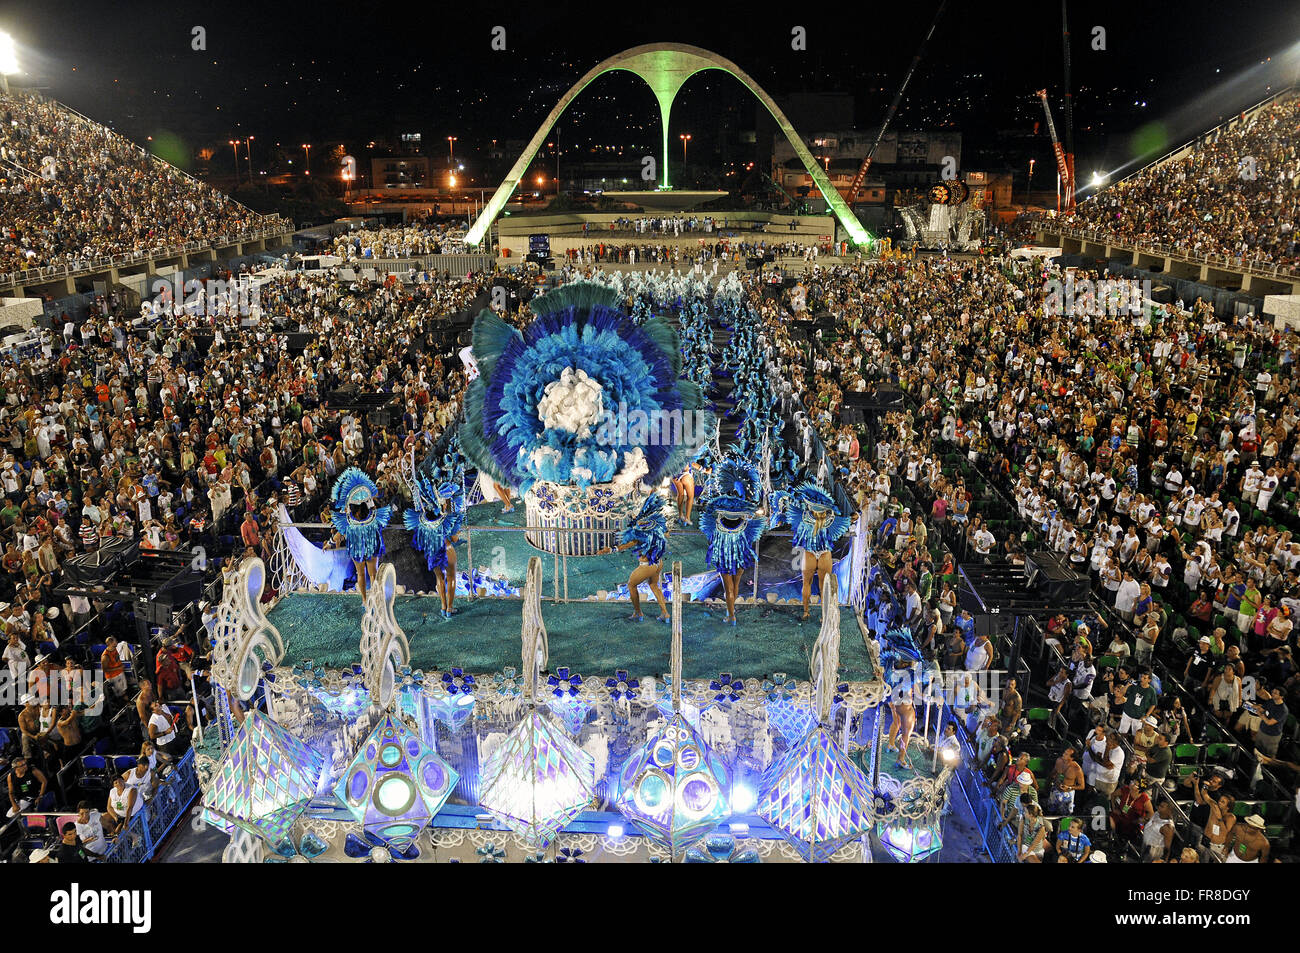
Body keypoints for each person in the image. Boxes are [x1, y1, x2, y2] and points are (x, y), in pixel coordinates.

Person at [597, 495, 670, 624]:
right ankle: (665, 613)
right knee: (654, 585)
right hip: (658, 563)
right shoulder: (656, 527)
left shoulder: (640, 532)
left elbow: (626, 545)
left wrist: (610, 549)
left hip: (647, 565)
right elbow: (667, 533)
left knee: (631, 585)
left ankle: (638, 613)